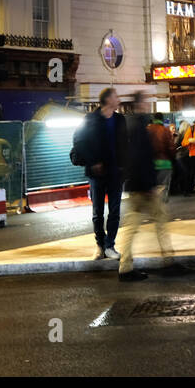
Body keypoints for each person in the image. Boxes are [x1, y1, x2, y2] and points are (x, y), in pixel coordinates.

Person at [115, 93, 180, 281]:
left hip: (136, 184)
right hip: (142, 186)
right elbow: (139, 157)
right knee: (157, 219)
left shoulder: (132, 125)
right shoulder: (138, 126)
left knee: (134, 224)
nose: (147, 105)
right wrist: (148, 184)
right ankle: (167, 260)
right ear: (140, 105)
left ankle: (126, 266)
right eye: (144, 102)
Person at [73, 87, 126, 260]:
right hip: (96, 173)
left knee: (115, 211)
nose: (118, 99)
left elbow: (125, 144)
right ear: (108, 100)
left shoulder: (120, 120)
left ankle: (110, 245)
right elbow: (79, 141)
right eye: (116, 96)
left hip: (115, 173)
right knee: (98, 212)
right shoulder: (90, 119)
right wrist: (93, 161)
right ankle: (99, 244)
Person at [147, 112, 176, 201]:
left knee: (152, 190)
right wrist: (173, 160)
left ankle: (154, 210)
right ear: (162, 119)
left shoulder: (147, 130)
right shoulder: (165, 130)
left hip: (150, 165)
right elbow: (171, 148)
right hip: (164, 164)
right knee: (163, 189)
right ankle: (161, 209)